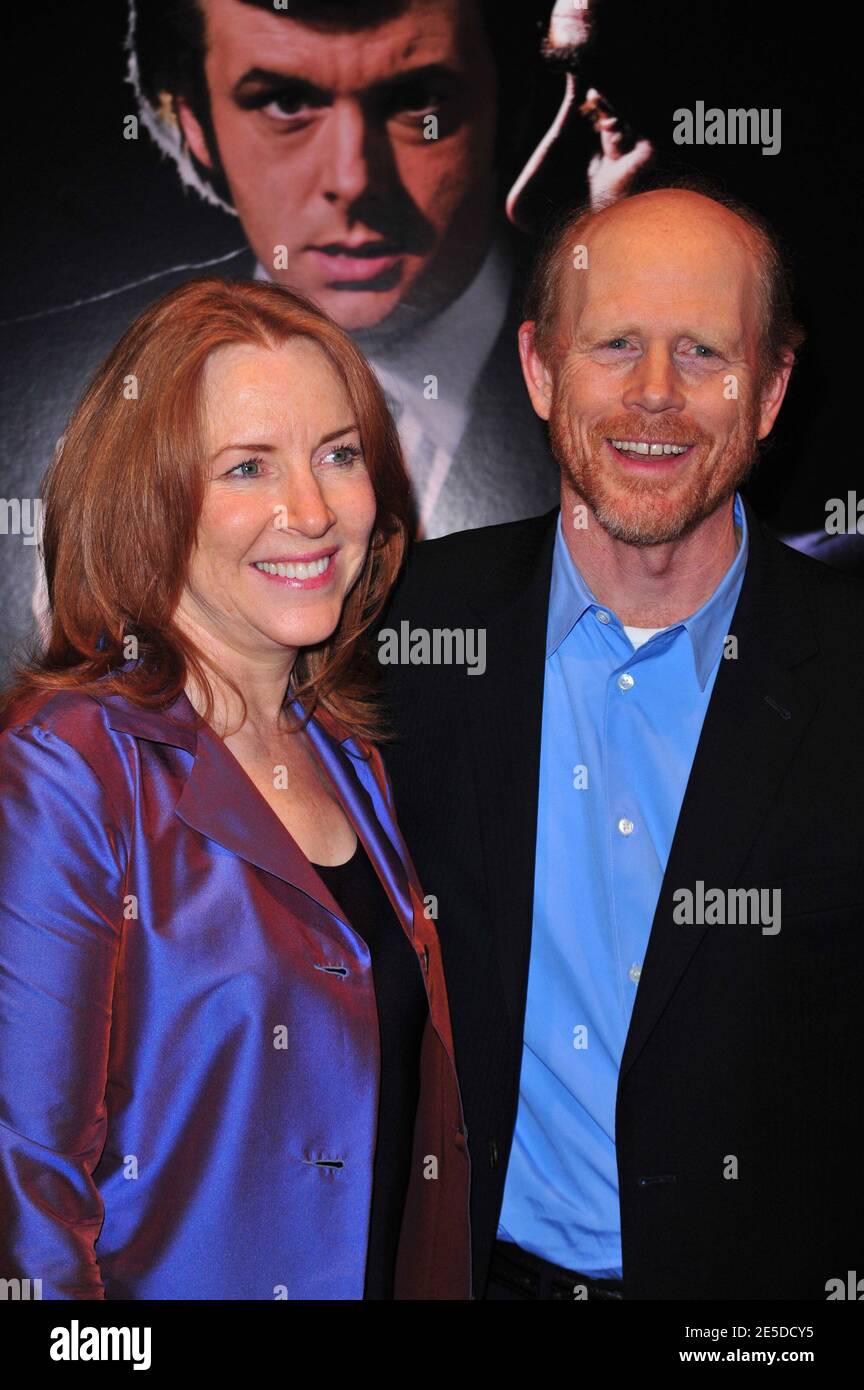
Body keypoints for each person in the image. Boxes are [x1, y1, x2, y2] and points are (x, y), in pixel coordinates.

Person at [377, 185, 864, 1300]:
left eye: (704, 350)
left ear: (772, 391)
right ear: (542, 370)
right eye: (615, 346)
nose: (656, 395)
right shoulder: (398, 632)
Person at [0, 277, 471, 1300]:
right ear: (150, 495)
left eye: (338, 455)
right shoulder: (70, 765)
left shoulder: (351, 755)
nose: (309, 510)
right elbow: (25, 1196)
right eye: (247, 466)